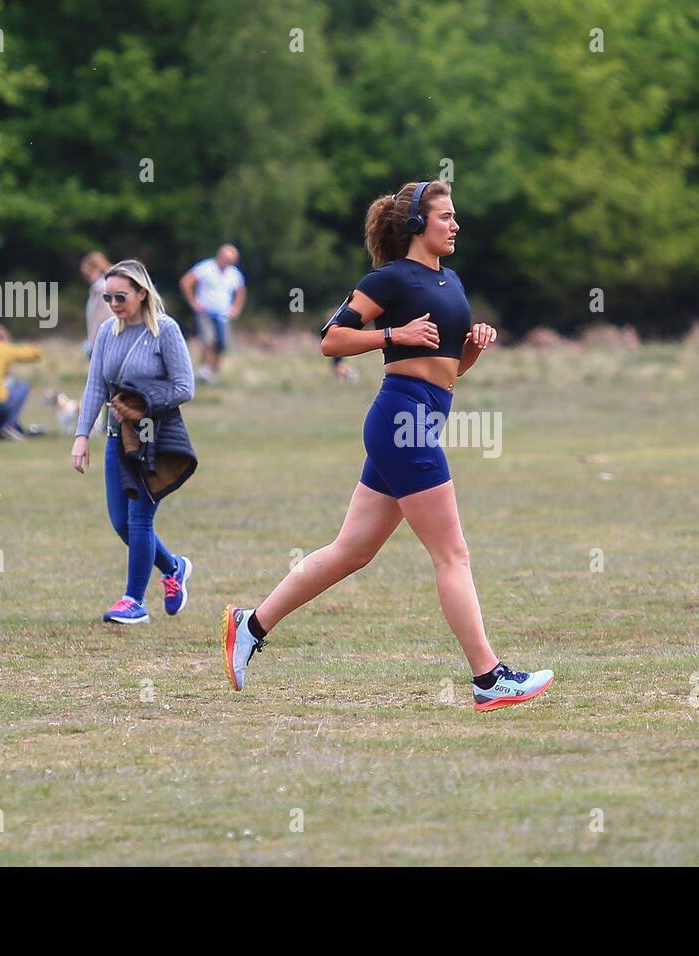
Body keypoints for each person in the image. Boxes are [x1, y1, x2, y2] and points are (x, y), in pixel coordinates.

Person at [219, 179, 554, 712]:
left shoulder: (452, 282)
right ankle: (489, 679)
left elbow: (446, 374)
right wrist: (392, 336)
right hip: (404, 420)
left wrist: (471, 351)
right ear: (417, 225)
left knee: (352, 551)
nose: (455, 224)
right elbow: (331, 338)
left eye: (454, 215)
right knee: (452, 554)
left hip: (421, 414)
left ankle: (250, 624)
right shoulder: (392, 278)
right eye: (446, 216)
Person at [70, 259, 197, 625]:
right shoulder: (108, 332)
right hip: (115, 436)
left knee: (140, 517)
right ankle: (174, 567)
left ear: (142, 293)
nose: (113, 303)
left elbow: (184, 386)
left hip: (151, 437)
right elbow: (95, 385)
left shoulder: (166, 330)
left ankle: (133, 601)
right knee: (120, 522)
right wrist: (81, 435)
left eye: (120, 296)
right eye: (107, 297)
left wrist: (143, 403)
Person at [180, 244, 246, 383]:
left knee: (221, 343)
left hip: (223, 313)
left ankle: (213, 372)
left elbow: (241, 291)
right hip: (205, 311)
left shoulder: (233, 273)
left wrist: (236, 308)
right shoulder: (206, 268)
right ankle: (203, 369)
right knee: (207, 340)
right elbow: (186, 282)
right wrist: (193, 302)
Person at [81, 251, 113, 355]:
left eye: (89, 272)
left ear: (98, 268)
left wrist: (92, 343)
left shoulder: (101, 289)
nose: (87, 276)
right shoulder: (99, 288)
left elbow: (102, 319)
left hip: (101, 343)